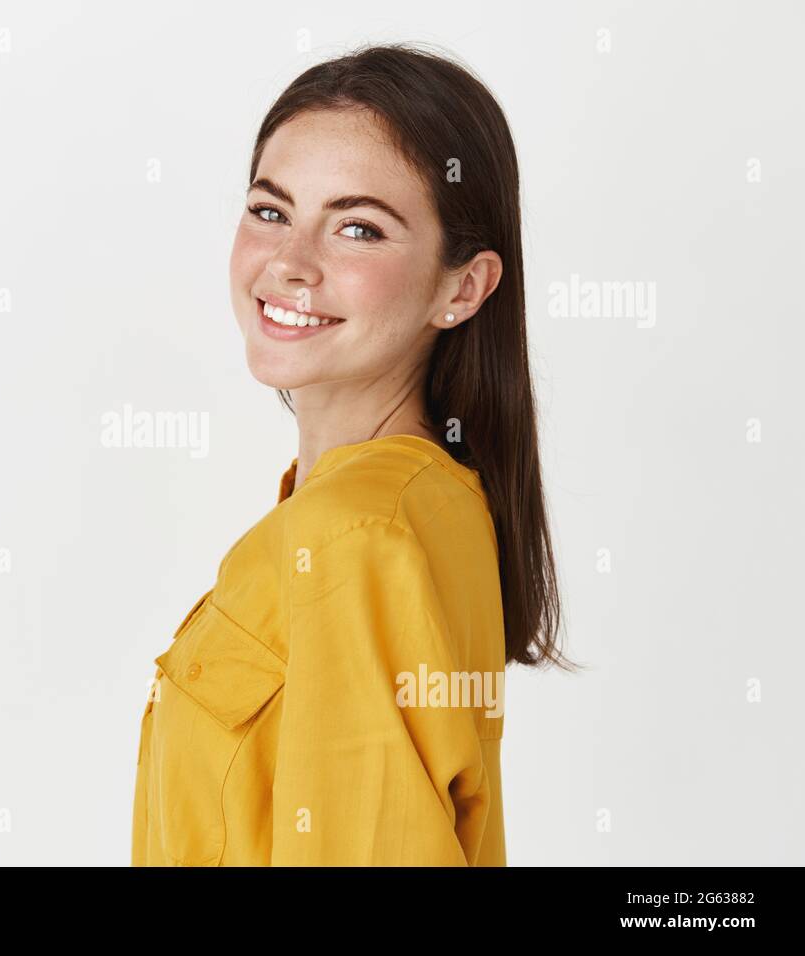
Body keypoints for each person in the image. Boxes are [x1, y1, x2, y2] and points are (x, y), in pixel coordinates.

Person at [131, 42, 573, 867]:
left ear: (463, 288)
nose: (290, 264)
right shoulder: (413, 503)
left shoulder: (354, 534)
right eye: (270, 210)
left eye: (358, 228)